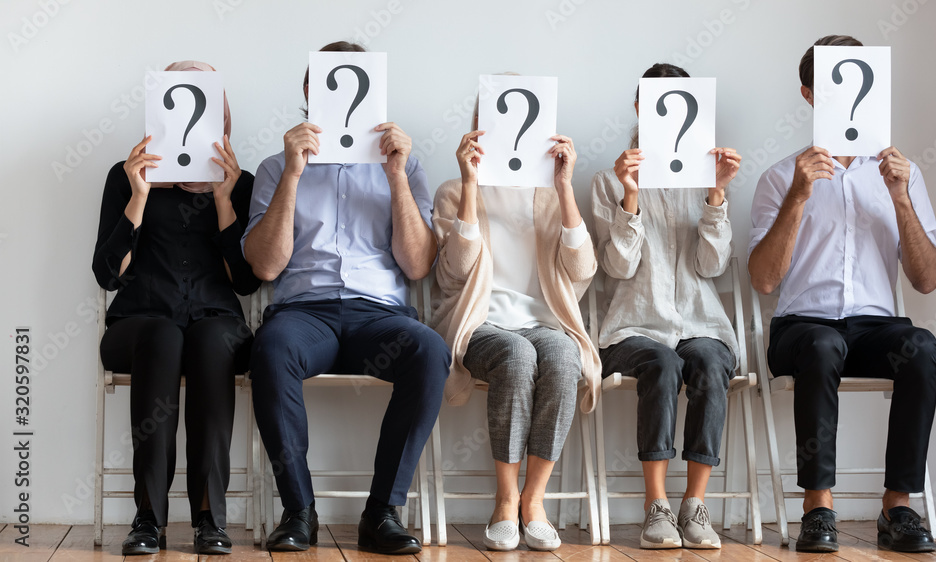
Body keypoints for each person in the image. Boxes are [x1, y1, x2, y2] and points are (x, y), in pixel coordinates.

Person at [242, 41, 450, 555]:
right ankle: (299, 512)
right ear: (310, 95)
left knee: (428, 350)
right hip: (303, 315)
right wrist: (293, 173)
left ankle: (381, 512)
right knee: (269, 351)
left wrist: (396, 176)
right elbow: (265, 265)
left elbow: (419, 264)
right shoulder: (274, 167)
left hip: (379, 317)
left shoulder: (408, 166)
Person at [748, 35, 936, 554]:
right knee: (821, 346)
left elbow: (926, 279)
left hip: (877, 326)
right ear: (810, 94)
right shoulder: (778, 178)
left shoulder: (902, 174)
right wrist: (798, 193)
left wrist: (901, 198)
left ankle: (897, 506)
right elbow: (765, 281)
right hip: (802, 327)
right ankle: (819, 507)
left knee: (921, 347)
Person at [92, 60, 259, 556]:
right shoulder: (124, 179)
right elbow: (108, 273)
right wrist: (139, 195)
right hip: (139, 325)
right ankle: (148, 517)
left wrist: (225, 200)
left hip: (215, 322)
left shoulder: (242, 182)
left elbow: (246, 282)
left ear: (223, 123)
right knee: (165, 337)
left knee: (211, 341)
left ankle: (209, 517)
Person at [430, 100, 600, 551]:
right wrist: (470, 183)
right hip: (480, 324)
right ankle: (505, 500)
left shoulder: (549, 194)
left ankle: (533, 501)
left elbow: (582, 270)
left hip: (543, 323)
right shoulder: (453, 191)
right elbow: (456, 270)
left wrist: (564, 187)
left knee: (565, 356)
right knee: (517, 354)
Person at [591, 63, 742, 550]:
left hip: (700, 324)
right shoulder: (608, 182)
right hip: (633, 329)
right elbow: (616, 267)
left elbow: (712, 265)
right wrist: (630, 198)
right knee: (661, 359)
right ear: (640, 108)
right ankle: (655, 505)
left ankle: (695, 505)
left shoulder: (703, 180)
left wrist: (715, 195)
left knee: (711, 360)